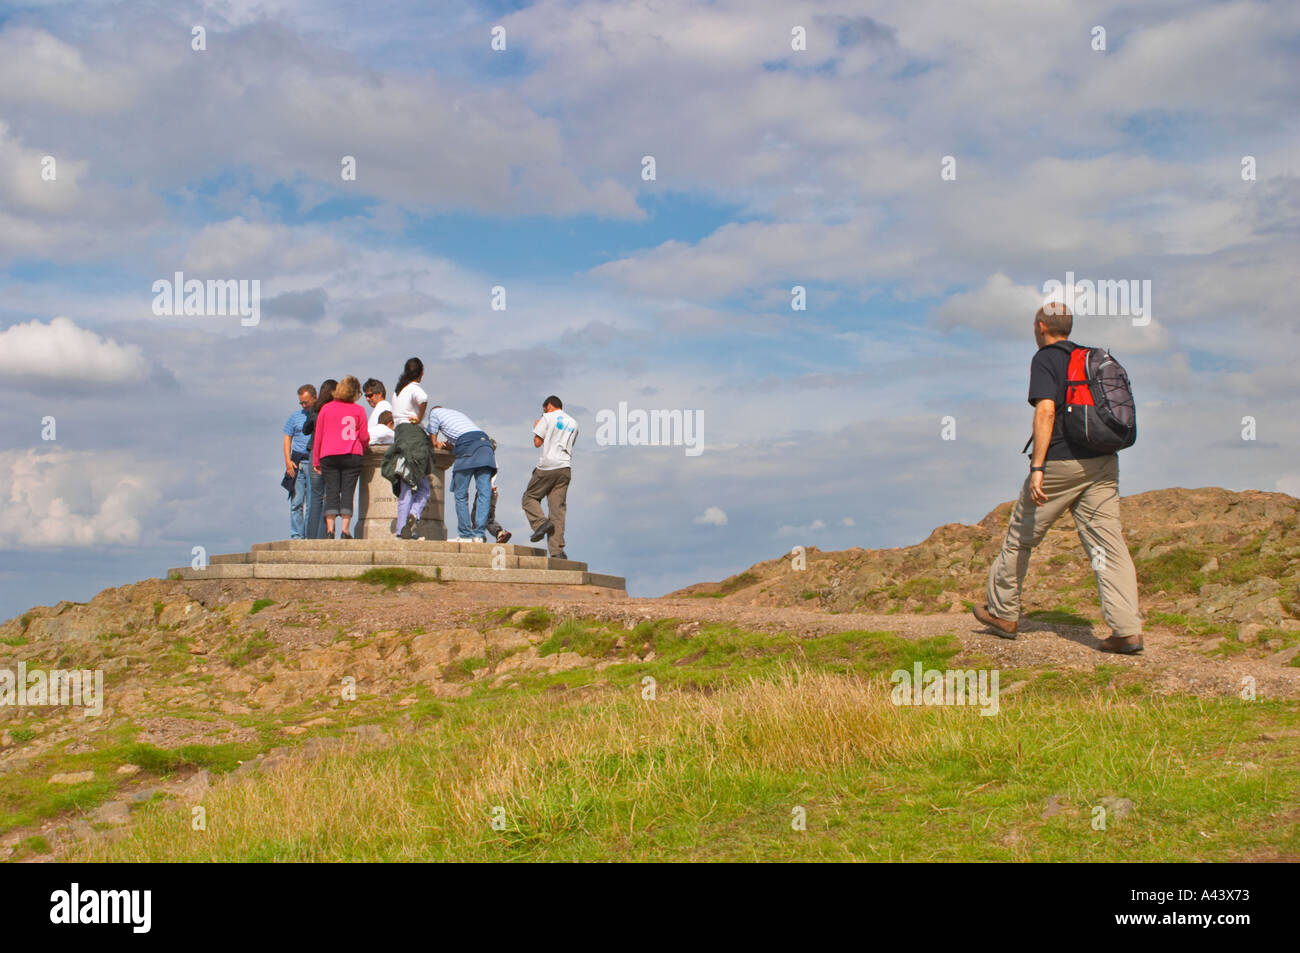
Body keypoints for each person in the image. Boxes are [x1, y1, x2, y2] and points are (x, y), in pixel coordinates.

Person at [973, 303, 1143, 654]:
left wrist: (1037, 468)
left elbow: (1046, 410)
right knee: (1108, 546)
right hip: (1103, 462)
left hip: (1062, 463)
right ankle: (1127, 630)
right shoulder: (1092, 357)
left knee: (1020, 536)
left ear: (1040, 327)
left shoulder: (1046, 359)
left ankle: (1003, 612)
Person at [425, 405, 496, 542]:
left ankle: (465, 535)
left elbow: (432, 439)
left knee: (461, 494)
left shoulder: (435, 412)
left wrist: (436, 443)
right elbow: (461, 434)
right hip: (485, 444)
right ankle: (479, 535)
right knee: (484, 493)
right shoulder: (456, 414)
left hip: (467, 446)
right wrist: (452, 445)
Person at [311, 375, 370, 539]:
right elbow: (364, 437)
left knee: (331, 491)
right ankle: (345, 531)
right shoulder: (358, 410)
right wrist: (364, 446)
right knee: (347, 492)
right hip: (352, 454)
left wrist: (316, 460)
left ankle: (330, 530)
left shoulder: (326, 409)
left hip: (329, 455)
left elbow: (319, 437)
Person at [522, 396, 578, 559]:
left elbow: (537, 442)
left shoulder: (546, 418)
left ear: (550, 406)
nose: (544, 411)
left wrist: (537, 427)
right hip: (565, 468)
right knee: (557, 510)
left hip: (548, 466)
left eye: (544, 408)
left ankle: (540, 523)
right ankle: (557, 551)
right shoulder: (574, 423)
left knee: (529, 498)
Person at [385, 358, 434, 539]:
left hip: (400, 438)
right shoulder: (415, 388)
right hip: (414, 437)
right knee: (424, 486)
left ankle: (401, 529)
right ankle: (414, 513)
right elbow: (424, 399)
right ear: (420, 372)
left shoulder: (397, 392)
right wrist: (420, 418)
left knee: (405, 486)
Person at [302, 378, 336, 539]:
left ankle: (311, 536)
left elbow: (305, 430)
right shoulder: (334, 408)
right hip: (330, 454)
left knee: (314, 497)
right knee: (329, 495)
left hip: (313, 452)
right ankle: (324, 535)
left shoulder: (315, 409)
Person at [282, 384, 316, 538]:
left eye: (306, 402)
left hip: (313, 460)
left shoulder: (320, 415)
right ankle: (297, 536)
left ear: (314, 399)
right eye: (301, 402)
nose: (304, 405)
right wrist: (288, 461)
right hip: (297, 462)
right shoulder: (295, 417)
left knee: (311, 503)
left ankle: (309, 535)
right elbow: (287, 438)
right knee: (296, 502)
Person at [364, 378, 395, 446]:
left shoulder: (384, 406)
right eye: (365, 396)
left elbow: (384, 431)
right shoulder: (381, 407)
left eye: (370, 395)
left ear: (379, 394)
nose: (367, 399)